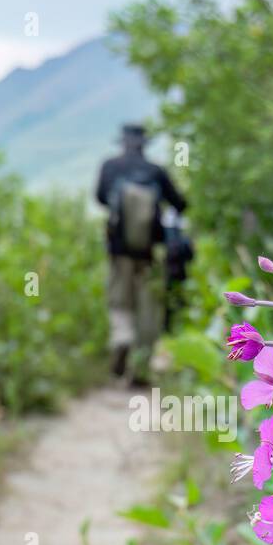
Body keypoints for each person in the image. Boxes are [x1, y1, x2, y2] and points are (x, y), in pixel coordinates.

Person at [95, 123, 187, 384]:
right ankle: (140, 367)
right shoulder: (155, 171)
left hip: (118, 250)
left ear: (122, 142)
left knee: (119, 302)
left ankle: (121, 337)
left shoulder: (110, 166)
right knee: (147, 310)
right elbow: (180, 204)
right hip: (149, 253)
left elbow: (100, 197)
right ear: (144, 143)